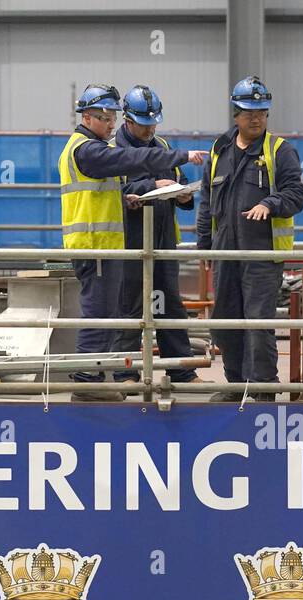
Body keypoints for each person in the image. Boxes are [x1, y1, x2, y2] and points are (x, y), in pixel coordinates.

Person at [58, 82, 208, 399]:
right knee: (109, 313)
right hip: (104, 244)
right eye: (105, 117)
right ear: (87, 116)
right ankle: (93, 380)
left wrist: (178, 191)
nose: (110, 123)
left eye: (112, 117)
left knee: (147, 309)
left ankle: (95, 380)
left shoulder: (99, 148)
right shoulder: (90, 150)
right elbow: (132, 162)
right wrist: (177, 159)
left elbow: (130, 170)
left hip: (122, 243)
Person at [195, 76, 303, 400]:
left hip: (262, 254)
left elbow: (297, 194)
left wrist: (269, 203)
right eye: (249, 112)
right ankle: (236, 386)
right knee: (226, 323)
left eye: (261, 112)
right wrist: (205, 244)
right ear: (236, 114)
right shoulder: (220, 150)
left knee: (258, 324)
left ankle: (262, 390)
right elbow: (207, 201)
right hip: (225, 254)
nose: (256, 118)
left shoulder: (280, 151)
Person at [110, 85, 199, 388]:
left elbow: (181, 181)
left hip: (162, 242)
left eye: (153, 123)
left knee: (170, 305)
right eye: (144, 124)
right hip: (130, 241)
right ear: (127, 120)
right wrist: (149, 186)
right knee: (130, 306)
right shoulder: (112, 151)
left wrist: (184, 196)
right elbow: (111, 194)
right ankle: (126, 374)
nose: (149, 130)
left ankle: (182, 372)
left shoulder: (161, 145)